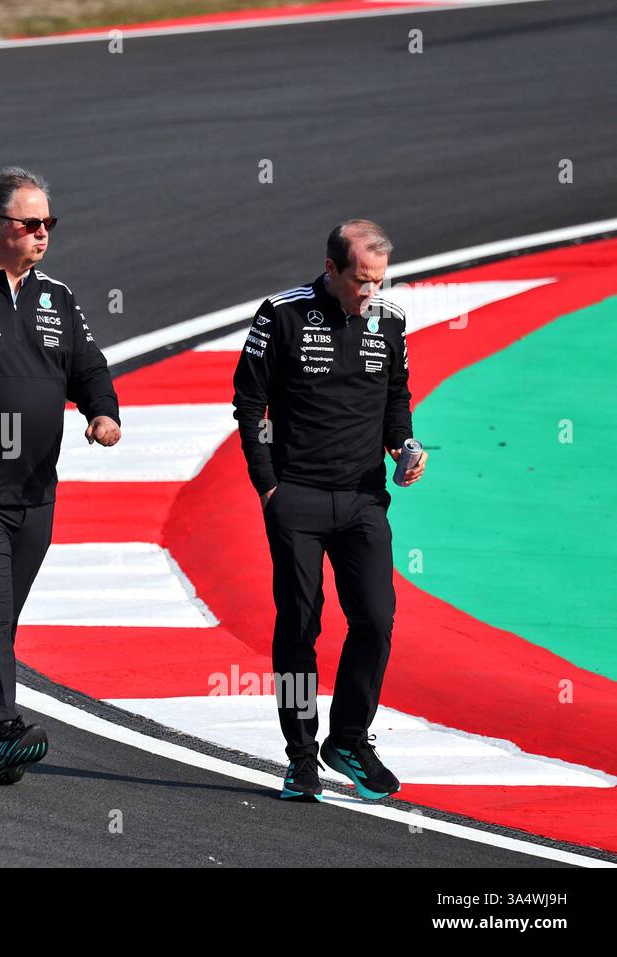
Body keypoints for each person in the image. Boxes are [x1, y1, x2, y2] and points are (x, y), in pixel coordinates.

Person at [0, 168, 121, 784]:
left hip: (37, 490)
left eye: (48, 224)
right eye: (31, 224)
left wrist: (103, 412)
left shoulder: (57, 297)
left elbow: (89, 367)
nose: (43, 234)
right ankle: (5, 729)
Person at [232, 219, 428, 803]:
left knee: (376, 619)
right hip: (297, 498)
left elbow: (397, 399)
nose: (369, 291)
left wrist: (407, 447)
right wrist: (269, 489)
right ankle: (299, 756)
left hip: (365, 499)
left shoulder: (389, 320)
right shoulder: (282, 314)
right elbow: (248, 403)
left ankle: (348, 739)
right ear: (332, 267)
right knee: (299, 624)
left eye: (377, 280)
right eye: (360, 280)